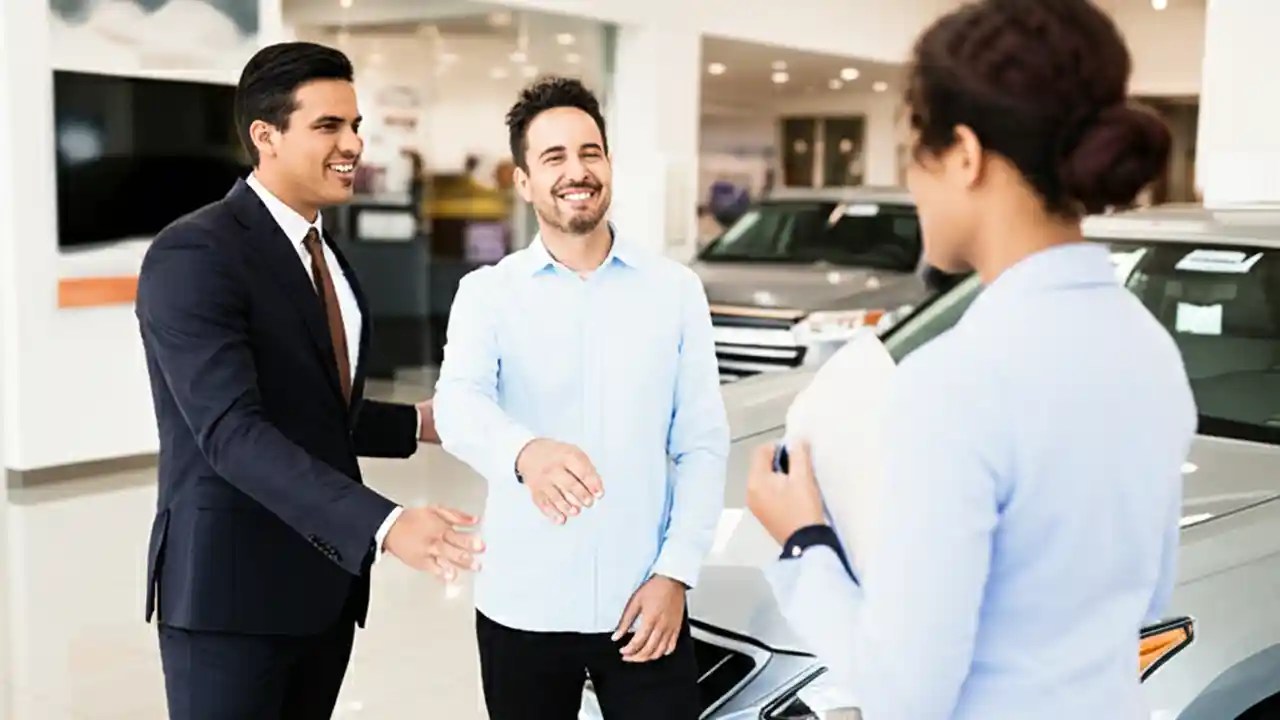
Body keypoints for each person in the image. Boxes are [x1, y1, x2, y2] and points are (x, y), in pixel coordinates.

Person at [746, 1, 1196, 718]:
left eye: (911, 157)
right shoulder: (1150, 349)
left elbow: (906, 692)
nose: (913, 188)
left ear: (962, 153)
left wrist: (802, 542)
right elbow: (1149, 596)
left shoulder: (957, 380)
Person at [134, 42, 482, 720]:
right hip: (230, 600)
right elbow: (232, 432)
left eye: (356, 125)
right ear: (265, 135)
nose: (353, 143)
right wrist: (384, 524)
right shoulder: (194, 254)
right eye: (329, 126)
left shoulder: (329, 259)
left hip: (321, 590)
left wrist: (418, 423)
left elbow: (316, 406)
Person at [433, 76, 729, 720]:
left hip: (644, 603)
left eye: (590, 152)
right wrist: (524, 451)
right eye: (554, 157)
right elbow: (458, 404)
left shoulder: (674, 291)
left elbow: (703, 444)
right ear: (523, 181)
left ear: (609, 164)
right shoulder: (489, 292)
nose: (577, 171)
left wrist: (675, 574)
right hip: (523, 606)